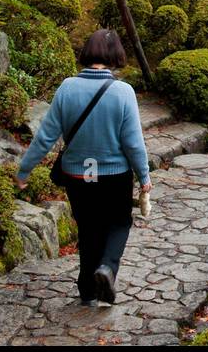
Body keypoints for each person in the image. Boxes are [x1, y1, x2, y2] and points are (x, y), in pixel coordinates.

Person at [15, 29, 150, 306]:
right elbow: (133, 144)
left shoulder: (67, 87)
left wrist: (24, 171)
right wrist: (144, 176)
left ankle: (87, 290)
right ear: (116, 56)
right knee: (119, 222)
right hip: (114, 175)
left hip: (78, 175)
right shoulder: (123, 92)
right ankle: (107, 268)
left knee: (88, 229)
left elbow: (45, 137)